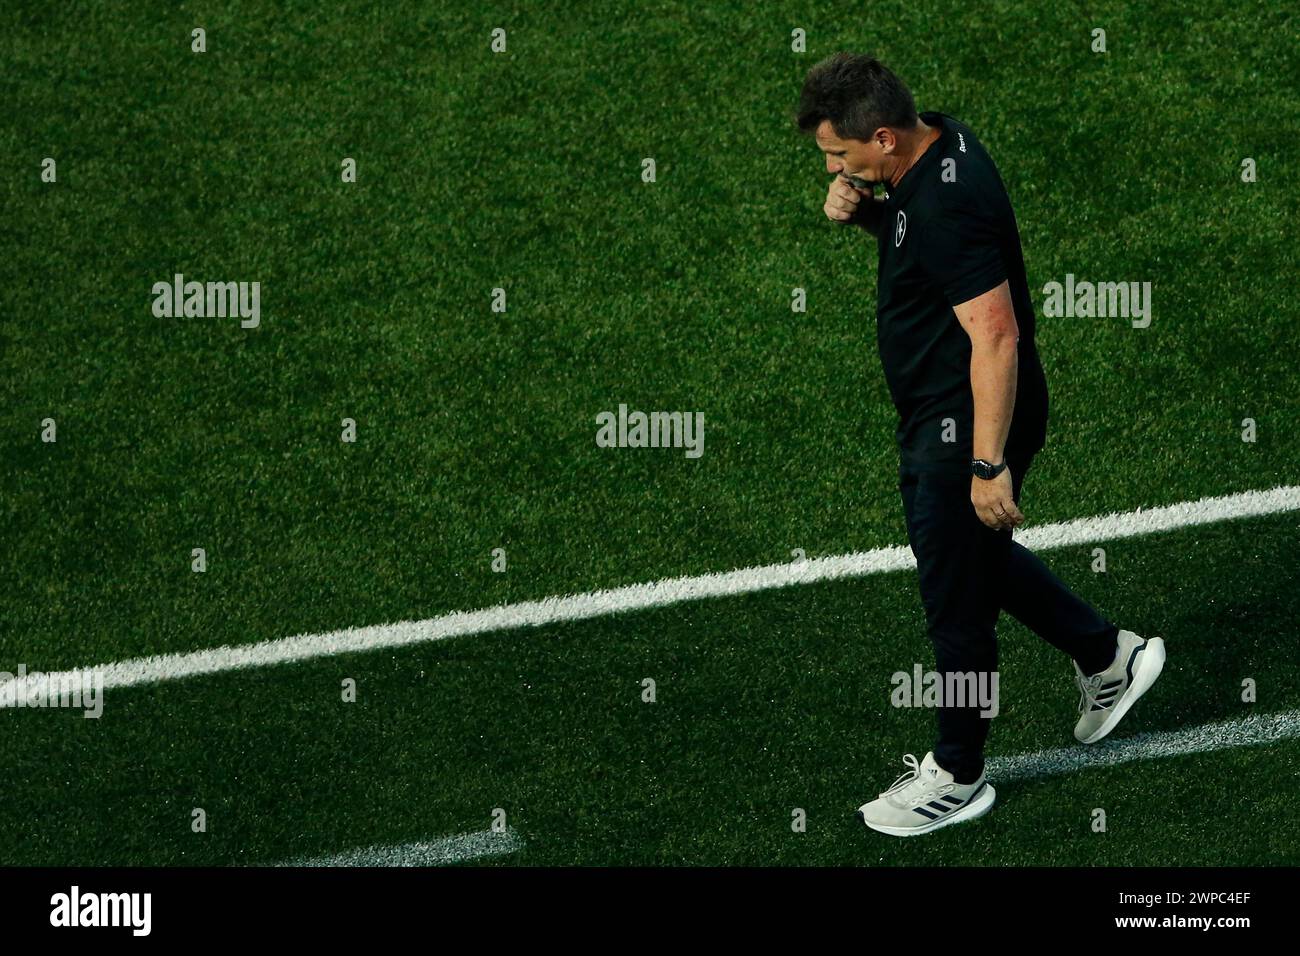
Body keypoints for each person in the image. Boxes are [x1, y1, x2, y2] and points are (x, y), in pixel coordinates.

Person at [794, 53, 1166, 836]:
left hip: (962, 426)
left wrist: (985, 464)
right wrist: (866, 211)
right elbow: (931, 257)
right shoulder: (942, 147)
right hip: (947, 415)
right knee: (971, 563)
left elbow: (993, 335)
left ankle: (958, 773)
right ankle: (1107, 657)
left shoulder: (942, 207)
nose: (834, 164)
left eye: (839, 153)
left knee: (955, 608)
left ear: (885, 138)